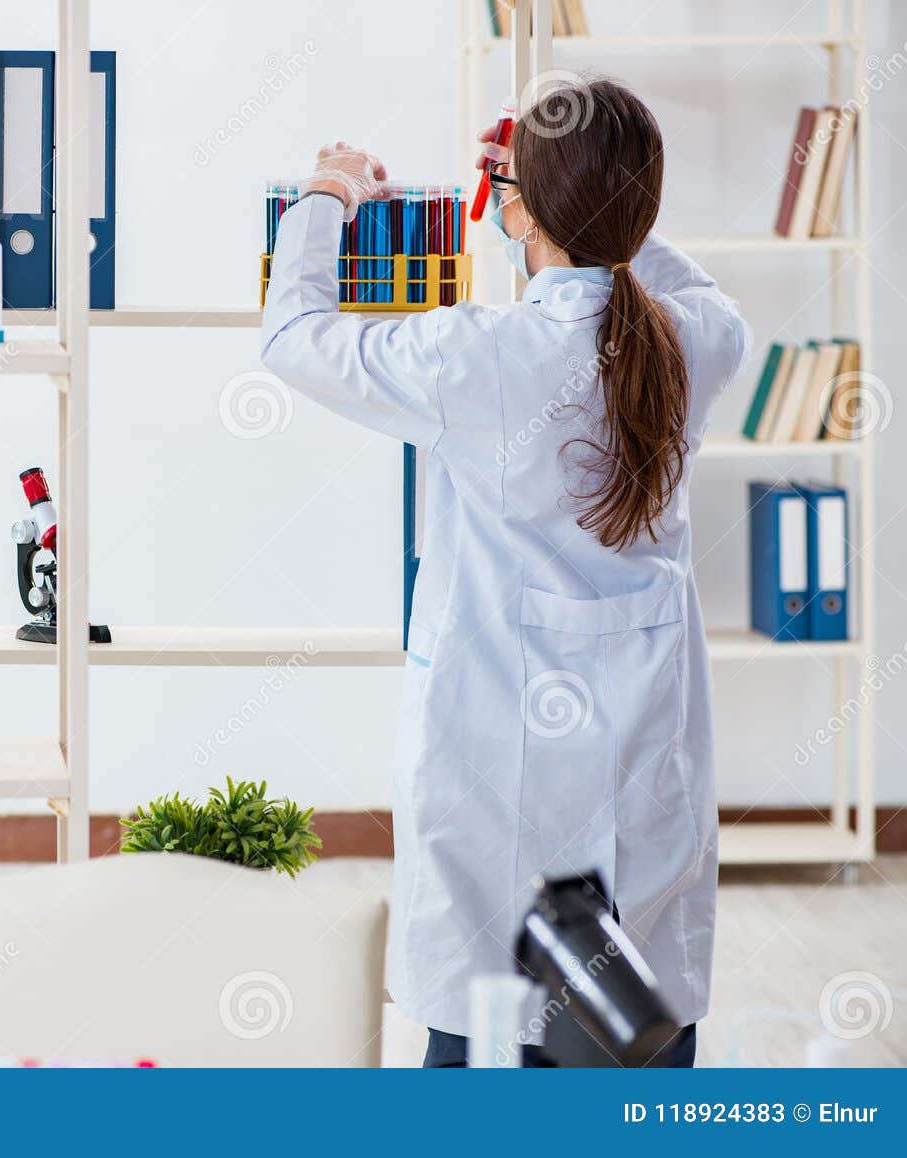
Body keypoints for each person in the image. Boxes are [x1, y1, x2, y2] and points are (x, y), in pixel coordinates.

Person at [260, 77, 752, 1067]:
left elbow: (292, 338)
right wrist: (582, 206)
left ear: (519, 212)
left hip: (493, 755)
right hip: (643, 760)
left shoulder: (475, 355)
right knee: (638, 1043)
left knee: (486, 1046)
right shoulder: (701, 340)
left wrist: (325, 193)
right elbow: (670, 277)